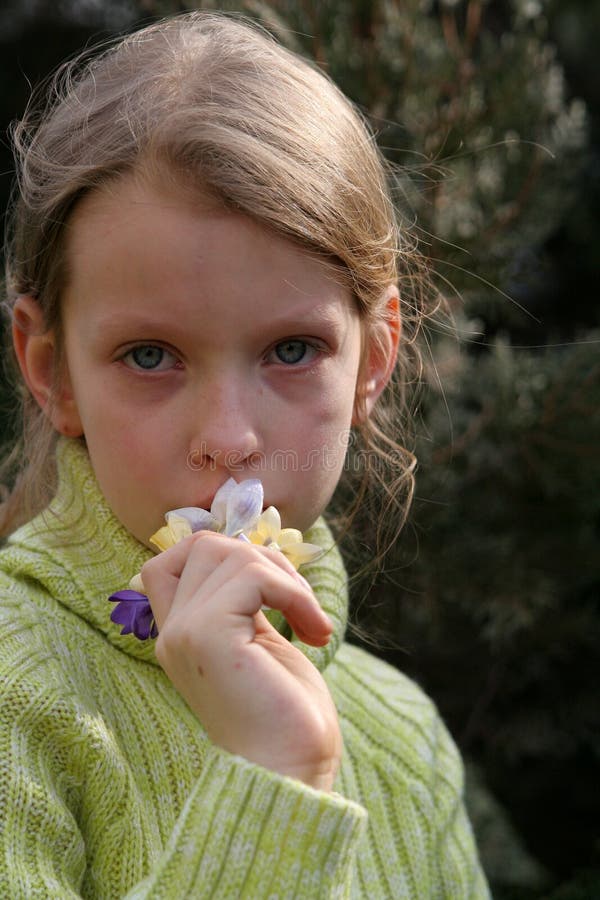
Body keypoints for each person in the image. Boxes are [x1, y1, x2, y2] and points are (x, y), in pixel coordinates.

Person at [0, 11, 490, 897]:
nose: (229, 438)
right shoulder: (15, 699)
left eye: (292, 351)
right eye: (150, 356)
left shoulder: (406, 739)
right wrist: (272, 783)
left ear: (373, 358)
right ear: (51, 368)